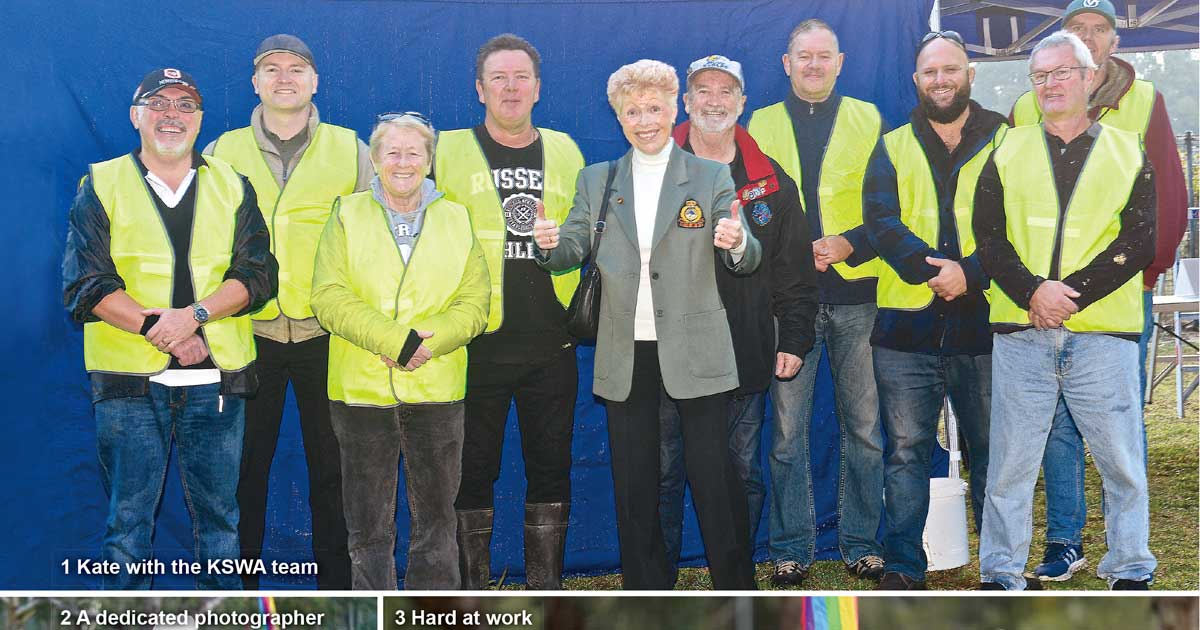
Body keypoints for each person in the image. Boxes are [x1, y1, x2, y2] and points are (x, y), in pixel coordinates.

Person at [533, 59, 761, 590]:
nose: (644, 120)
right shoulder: (597, 179)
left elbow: (746, 251)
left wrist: (737, 244)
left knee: (714, 479)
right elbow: (571, 248)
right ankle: (646, 591)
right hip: (625, 350)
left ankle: (735, 588)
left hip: (696, 349)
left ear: (672, 107)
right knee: (634, 484)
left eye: (654, 108)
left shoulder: (710, 176)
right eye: (631, 111)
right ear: (618, 118)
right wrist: (548, 246)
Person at [62, 68, 277, 589]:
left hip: (218, 383)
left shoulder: (232, 184)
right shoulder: (102, 183)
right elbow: (85, 286)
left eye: (184, 105)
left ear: (200, 119)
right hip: (129, 384)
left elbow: (259, 275)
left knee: (223, 524)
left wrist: (194, 317)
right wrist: (166, 332)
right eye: (158, 104)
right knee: (127, 526)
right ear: (137, 117)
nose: (172, 115)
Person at [1009, 0, 1189, 583]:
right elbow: (1008, 197)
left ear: (1112, 43)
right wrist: (1033, 287)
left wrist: (1148, 270)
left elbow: (1169, 196)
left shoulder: (1145, 100)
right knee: (1056, 421)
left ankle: (1127, 551)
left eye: (1099, 29)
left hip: (1117, 294)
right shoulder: (1024, 106)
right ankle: (1065, 539)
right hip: (1045, 299)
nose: (1088, 37)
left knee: (1118, 424)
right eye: (1076, 29)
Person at [974, 31, 1157, 591]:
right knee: (1009, 467)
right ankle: (1001, 572)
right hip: (1021, 334)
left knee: (1121, 463)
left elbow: (1139, 240)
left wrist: (1066, 295)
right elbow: (988, 236)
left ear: (1088, 78)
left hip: (1101, 334)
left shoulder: (1129, 151)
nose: (1049, 84)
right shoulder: (1006, 148)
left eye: (1060, 73)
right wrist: (1033, 292)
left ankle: (1129, 568)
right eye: (1039, 76)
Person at [206, 32, 373, 591]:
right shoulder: (220, 151)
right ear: (255, 82)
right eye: (272, 69)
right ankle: (240, 599)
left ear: (315, 81)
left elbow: (380, 242)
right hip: (244, 335)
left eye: (297, 69)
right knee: (242, 475)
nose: (284, 78)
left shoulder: (353, 150)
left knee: (336, 473)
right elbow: (202, 245)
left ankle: (338, 599)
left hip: (329, 337)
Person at [309, 113, 490, 590]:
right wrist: (395, 343)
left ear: (430, 161)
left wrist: (432, 341)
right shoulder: (345, 213)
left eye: (415, 152)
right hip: (360, 392)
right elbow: (327, 296)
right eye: (392, 152)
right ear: (374, 159)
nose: (403, 162)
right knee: (367, 527)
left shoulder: (458, 216)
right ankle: (373, 612)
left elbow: (476, 304)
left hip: (438, 387)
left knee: (436, 523)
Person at [657, 55, 817, 579]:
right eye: (703, 90)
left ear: (742, 103)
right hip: (665, 350)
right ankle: (658, 581)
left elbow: (793, 271)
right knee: (664, 469)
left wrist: (793, 337)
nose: (714, 101)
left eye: (726, 91)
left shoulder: (770, 182)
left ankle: (735, 573)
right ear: (686, 101)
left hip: (743, 350)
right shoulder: (651, 168)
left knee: (742, 468)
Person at [434, 33, 585, 590]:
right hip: (475, 342)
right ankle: (474, 590)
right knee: (472, 469)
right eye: (498, 77)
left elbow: (585, 232)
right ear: (479, 89)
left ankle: (544, 589)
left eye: (521, 76)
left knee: (551, 465)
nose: (511, 87)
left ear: (538, 88)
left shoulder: (567, 150)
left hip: (552, 341)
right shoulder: (444, 149)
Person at [862, 32, 1007, 590]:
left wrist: (968, 274)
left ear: (969, 73)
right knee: (904, 453)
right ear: (916, 80)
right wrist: (933, 273)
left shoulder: (1006, 138)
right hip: (906, 328)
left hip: (986, 325)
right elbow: (880, 219)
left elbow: (1013, 222)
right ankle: (902, 565)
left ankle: (1000, 565)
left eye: (950, 69)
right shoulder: (893, 143)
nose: (940, 80)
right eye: (929, 72)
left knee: (994, 452)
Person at [746, 18, 886, 586]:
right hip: (787, 304)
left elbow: (888, 205)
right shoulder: (757, 124)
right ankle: (791, 549)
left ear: (840, 61)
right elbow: (749, 206)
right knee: (785, 434)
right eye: (802, 56)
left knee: (867, 430)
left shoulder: (869, 118)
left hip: (857, 296)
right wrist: (788, 255)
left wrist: (849, 242)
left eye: (823, 56)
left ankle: (861, 544)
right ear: (786, 63)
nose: (812, 65)